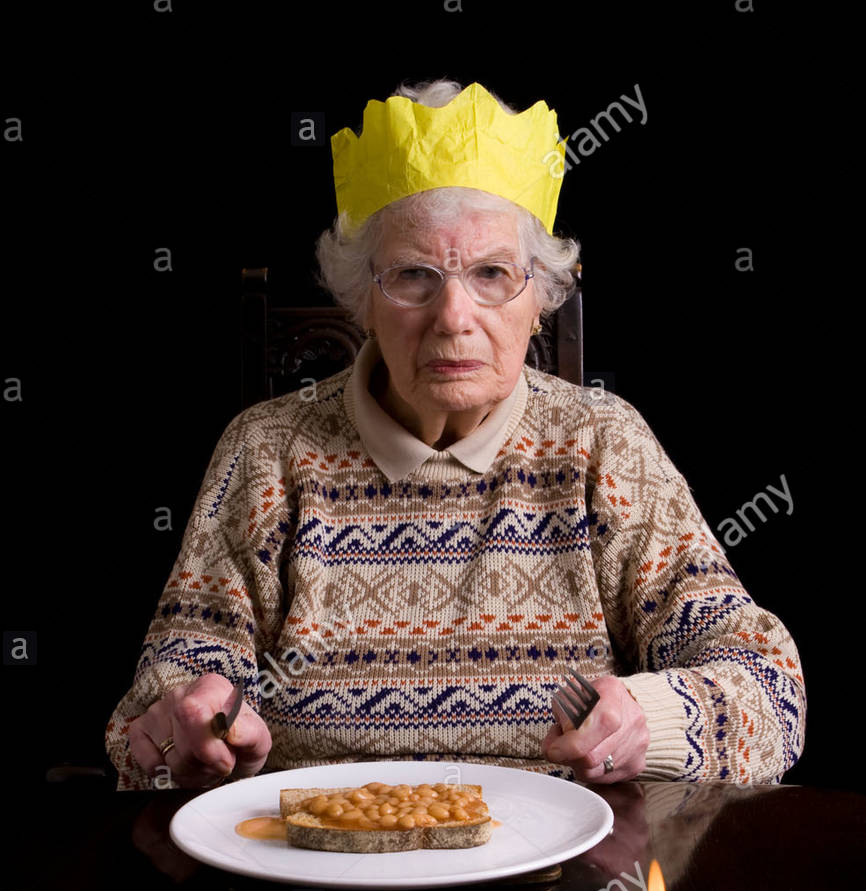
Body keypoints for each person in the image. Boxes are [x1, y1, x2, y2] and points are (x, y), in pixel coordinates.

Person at [105, 79, 805, 792]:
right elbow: (159, 704)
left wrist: (650, 720)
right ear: (362, 300)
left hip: (564, 882)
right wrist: (192, 731)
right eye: (414, 276)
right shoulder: (267, 452)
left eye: (493, 274)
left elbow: (768, 689)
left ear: (540, 300)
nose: (454, 317)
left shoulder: (603, 444)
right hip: (319, 868)